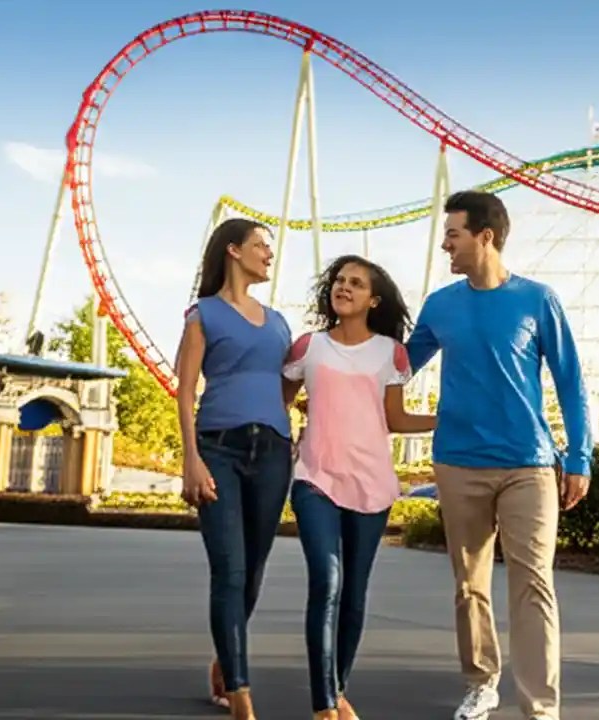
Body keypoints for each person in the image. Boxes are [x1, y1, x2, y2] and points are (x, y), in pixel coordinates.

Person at [405, 190, 593, 720]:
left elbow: (571, 382)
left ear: (485, 237)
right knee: (470, 586)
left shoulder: (537, 300)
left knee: (534, 583)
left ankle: (540, 708)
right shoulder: (440, 305)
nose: (445, 244)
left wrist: (579, 457)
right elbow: (397, 367)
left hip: (527, 464)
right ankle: (482, 683)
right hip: (458, 462)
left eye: (453, 234)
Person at [283, 255, 436, 720]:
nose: (343, 287)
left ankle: (338, 688)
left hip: (372, 485)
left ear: (374, 299)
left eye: (355, 283)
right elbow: (278, 404)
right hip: (315, 479)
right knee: (326, 582)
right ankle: (323, 705)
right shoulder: (307, 347)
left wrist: (451, 418)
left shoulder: (391, 352)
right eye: (339, 280)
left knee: (354, 592)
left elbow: (395, 419)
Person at [175, 217, 296, 720]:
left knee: (254, 572)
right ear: (232, 251)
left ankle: (225, 660)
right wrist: (191, 460)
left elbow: (288, 385)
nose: (269, 253)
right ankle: (240, 693)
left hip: (272, 454)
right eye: (260, 245)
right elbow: (184, 389)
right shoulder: (202, 314)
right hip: (218, 450)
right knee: (230, 570)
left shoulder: (280, 322)